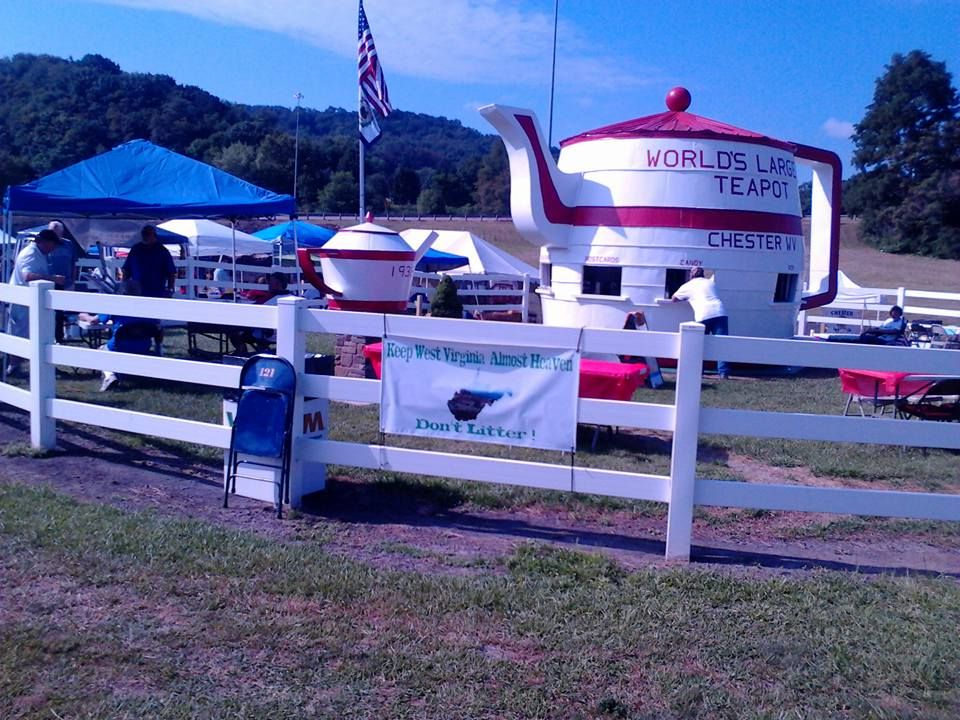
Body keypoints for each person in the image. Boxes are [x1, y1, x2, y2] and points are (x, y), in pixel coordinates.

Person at [5, 229, 66, 375]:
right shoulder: (30, 254)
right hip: (23, 301)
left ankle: (31, 365)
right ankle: (14, 367)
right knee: (20, 334)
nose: (54, 248)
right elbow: (28, 276)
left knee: (34, 333)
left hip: (29, 300)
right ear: (44, 242)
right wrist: (53, 279)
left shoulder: (38, 253)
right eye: (53, 244)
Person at [671, 267, 730, 378]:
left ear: (691, 275)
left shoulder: (688, 286)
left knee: (700, 345)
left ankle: (699, 371)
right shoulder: (711, 283)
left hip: (703, 314)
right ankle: (723, 373)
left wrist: (686, 298)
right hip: (720, 312)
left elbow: (673, 299)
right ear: (703, 274)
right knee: (722, 344)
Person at [228, 272, 291, 354]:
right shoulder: (289, 297)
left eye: (271, 281)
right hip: (284, 333)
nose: (268, 284)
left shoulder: (271, 300)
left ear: (277, 283)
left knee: (234, 331)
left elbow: (254, 311)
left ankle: (241, 352)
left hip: (267, 333)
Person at [46, 220, 82, 343]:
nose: (54, 235)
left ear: (61, 232)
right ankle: (48, 336)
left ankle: (59, 337)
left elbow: (74, 264)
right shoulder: (45, 245)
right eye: (52, 232)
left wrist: (73, 281)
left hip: (65, 282)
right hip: (48, 282)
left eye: (56, 232)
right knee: (49, 312)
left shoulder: (69, 244)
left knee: (60, 313)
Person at [119, 225, 176, 298]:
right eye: (144, 234)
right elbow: (126, 270)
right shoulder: (136, 249)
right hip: (137, 293)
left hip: (157, 292)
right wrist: (124, 286)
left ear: (154, 236)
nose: (146, 236)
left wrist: (170, 289)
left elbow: (171, 272)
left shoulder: (162, 251)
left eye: (148, 234)